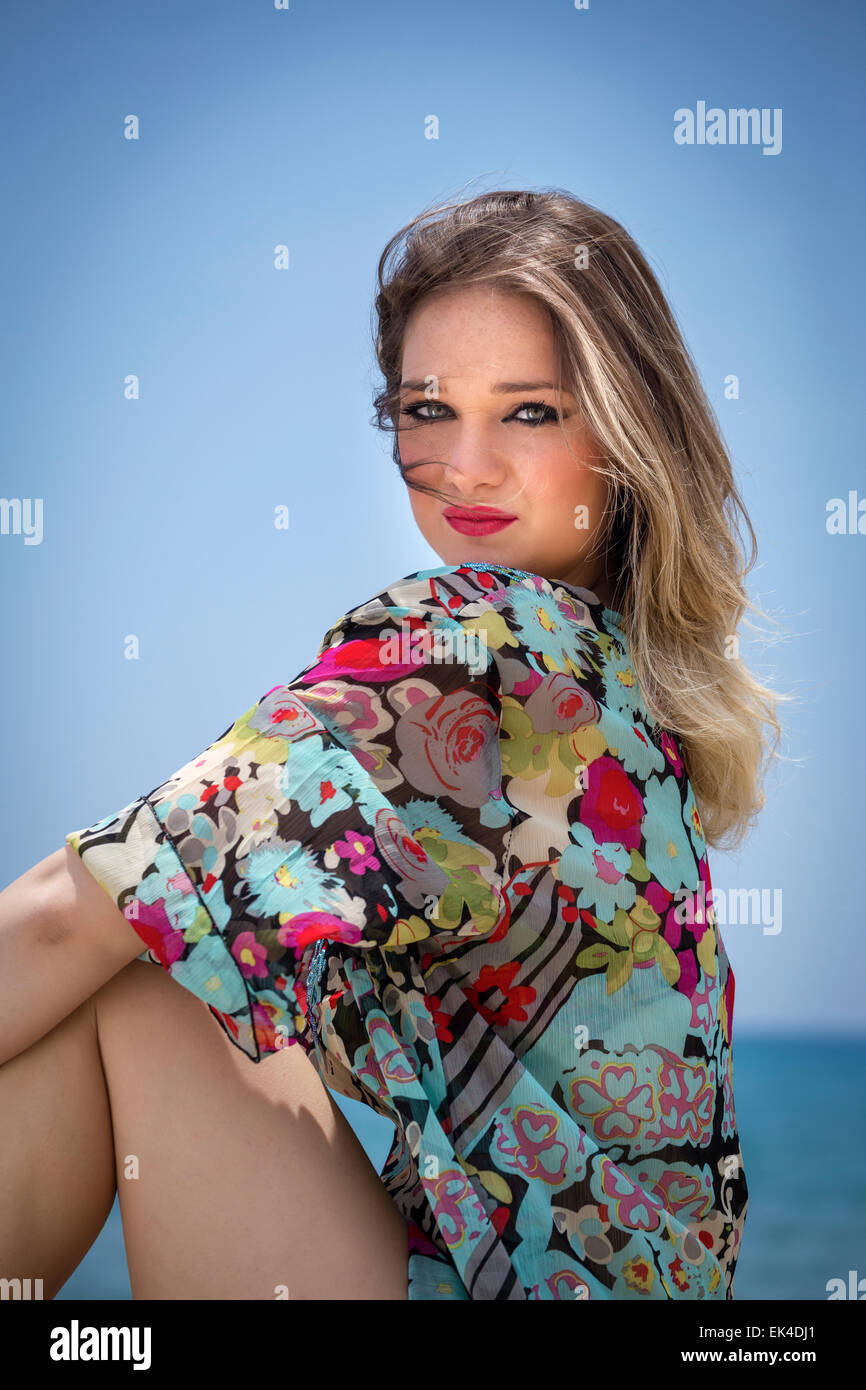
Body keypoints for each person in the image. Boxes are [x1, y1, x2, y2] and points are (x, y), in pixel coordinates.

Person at [0, 188, 785, 1301]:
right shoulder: (615, 680)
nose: (462, 465)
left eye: (527, 413)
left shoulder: (479, 650)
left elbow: (58, 913)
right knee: (167, 939)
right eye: (425, 409)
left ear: (623, 426)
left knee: (144, 953)